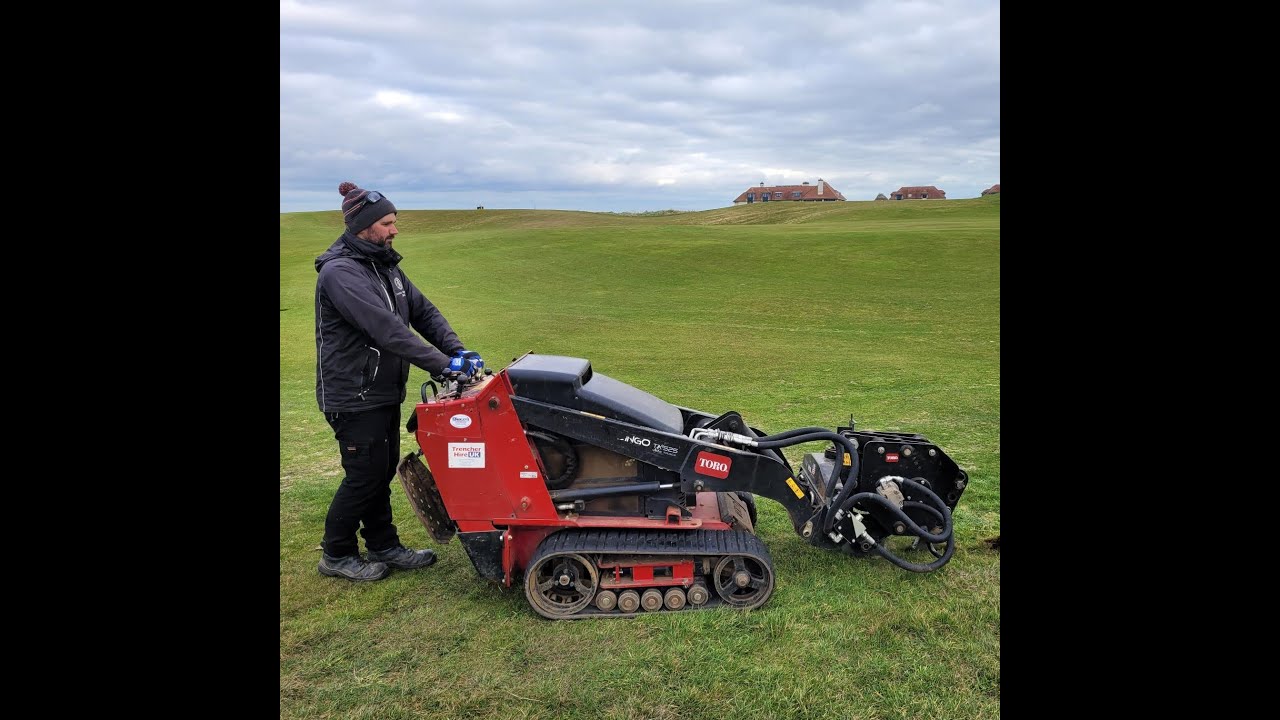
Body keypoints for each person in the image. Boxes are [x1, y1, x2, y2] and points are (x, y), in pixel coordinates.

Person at [313, 181, 484, 581]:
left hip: (382, 390)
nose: (394, 230)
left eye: (394, 221)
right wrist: (444, 366)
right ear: (363, 226)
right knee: (365, 475)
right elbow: (387, 330)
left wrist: (458, 351)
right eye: (387, 223)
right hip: (352, 393)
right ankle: (336, 553)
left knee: (381, 469)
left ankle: (383, 545)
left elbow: (424, 313)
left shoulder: (385, 266)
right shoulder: (341, 272)